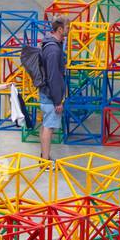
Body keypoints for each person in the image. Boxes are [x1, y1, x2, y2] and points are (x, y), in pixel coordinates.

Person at [39, 18, 67, 162]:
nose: (71, 30)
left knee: (45, 125)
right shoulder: (53, 50)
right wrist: (58, 101)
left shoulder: (52, 45)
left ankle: (44, 156)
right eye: (68, 27)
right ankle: (45, 161)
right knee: (49, 128)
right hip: (51, 96)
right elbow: (53, 77)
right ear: (60, 29)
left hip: (46, 93)